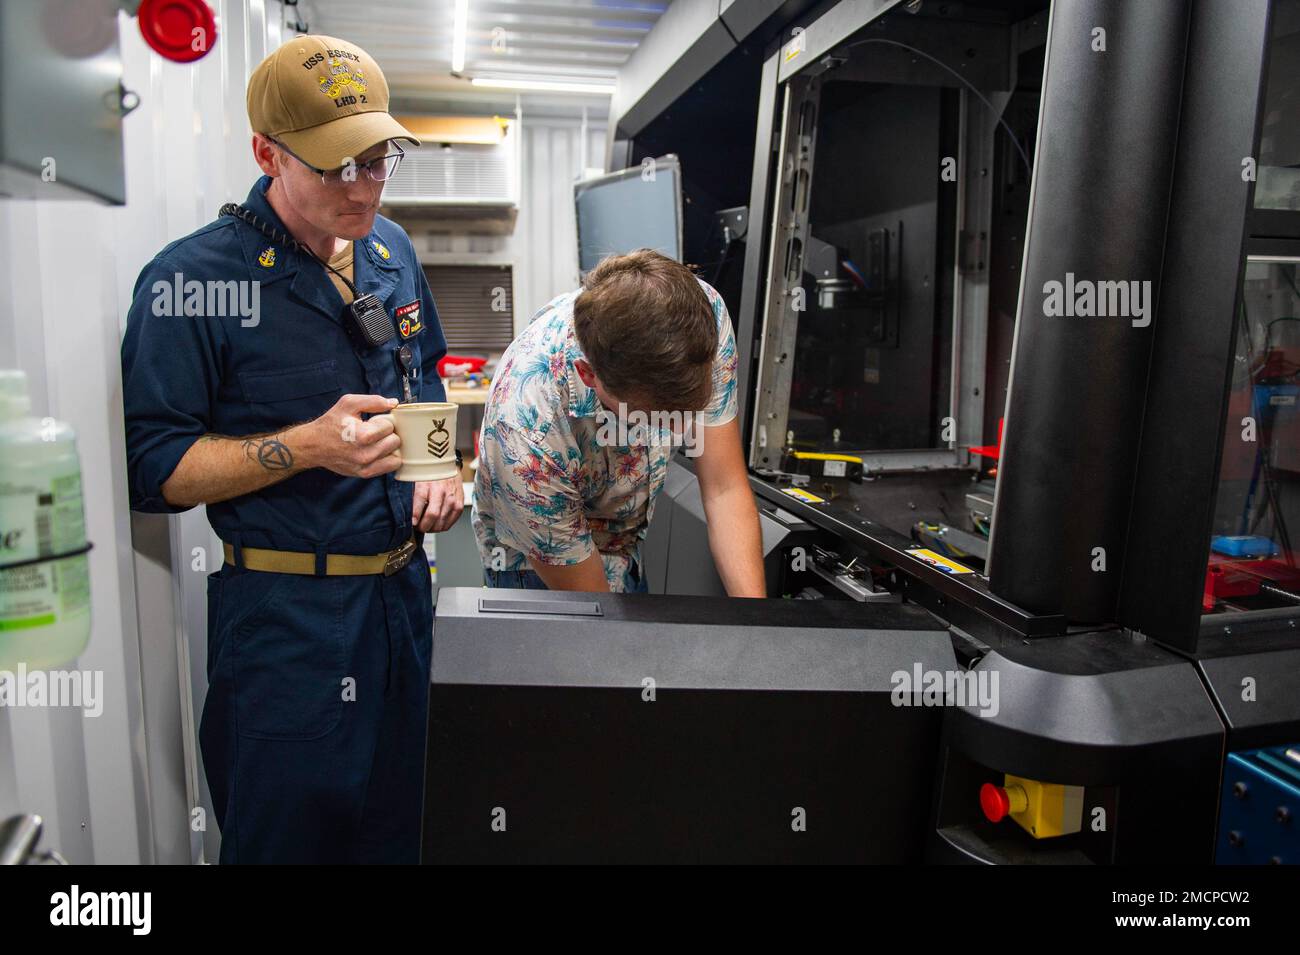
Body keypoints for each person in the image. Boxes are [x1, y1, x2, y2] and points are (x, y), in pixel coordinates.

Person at [121, 35, 463, 863]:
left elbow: (422, 373)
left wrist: (438, 467)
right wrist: (305, 447)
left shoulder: (391, 250)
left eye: (377, 162)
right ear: (266, 153)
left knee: (403, 836)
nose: (364, 187)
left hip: (402, 606)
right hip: (288, 626)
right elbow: (155, 468)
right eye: (337, 167)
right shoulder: (191, 283)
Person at [472, 249, 765, 596]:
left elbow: (724, 489)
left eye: (688, 412)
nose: (679, 430)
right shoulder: (526, 432)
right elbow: (596, 609)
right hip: (536, 561)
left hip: (625, 546)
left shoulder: (699, 322)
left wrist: (754, 620)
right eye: (654, 416)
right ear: (589, 375)